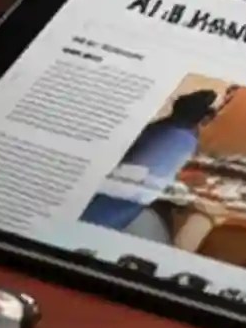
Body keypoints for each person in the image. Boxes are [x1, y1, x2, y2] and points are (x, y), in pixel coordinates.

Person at [80, 89, 220, 233]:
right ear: (205, 120)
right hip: (110, 208)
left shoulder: (159, 128)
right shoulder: (181, 140)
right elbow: (144, 179)